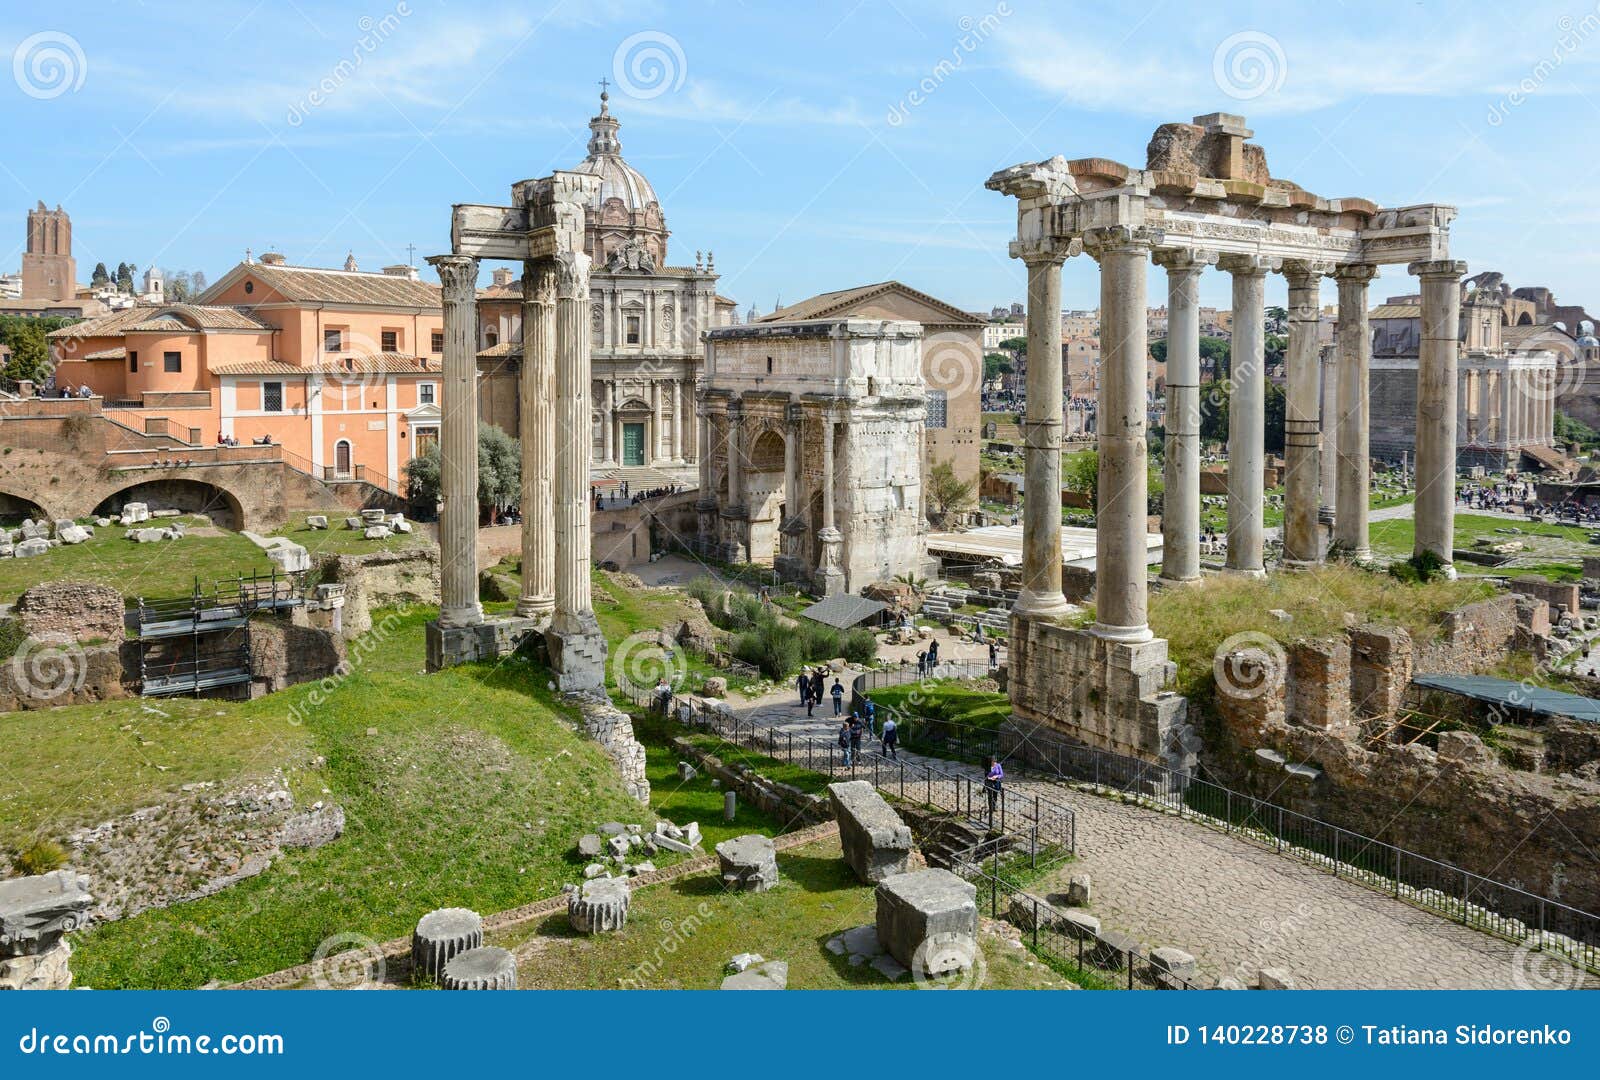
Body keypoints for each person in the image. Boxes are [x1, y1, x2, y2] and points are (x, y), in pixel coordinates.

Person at [983, 756, 1004, 822]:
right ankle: (990, 807)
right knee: (990, 795)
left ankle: (994, 806)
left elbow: (1001, 774)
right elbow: (986, 776)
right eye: (993, 762)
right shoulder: (987, 767)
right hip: (989, 782)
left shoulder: (998, 765)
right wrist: (990, 777)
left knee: (995, 794)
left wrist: (996, 776)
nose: (994, 763)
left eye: (995, 761)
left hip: (996, 782)